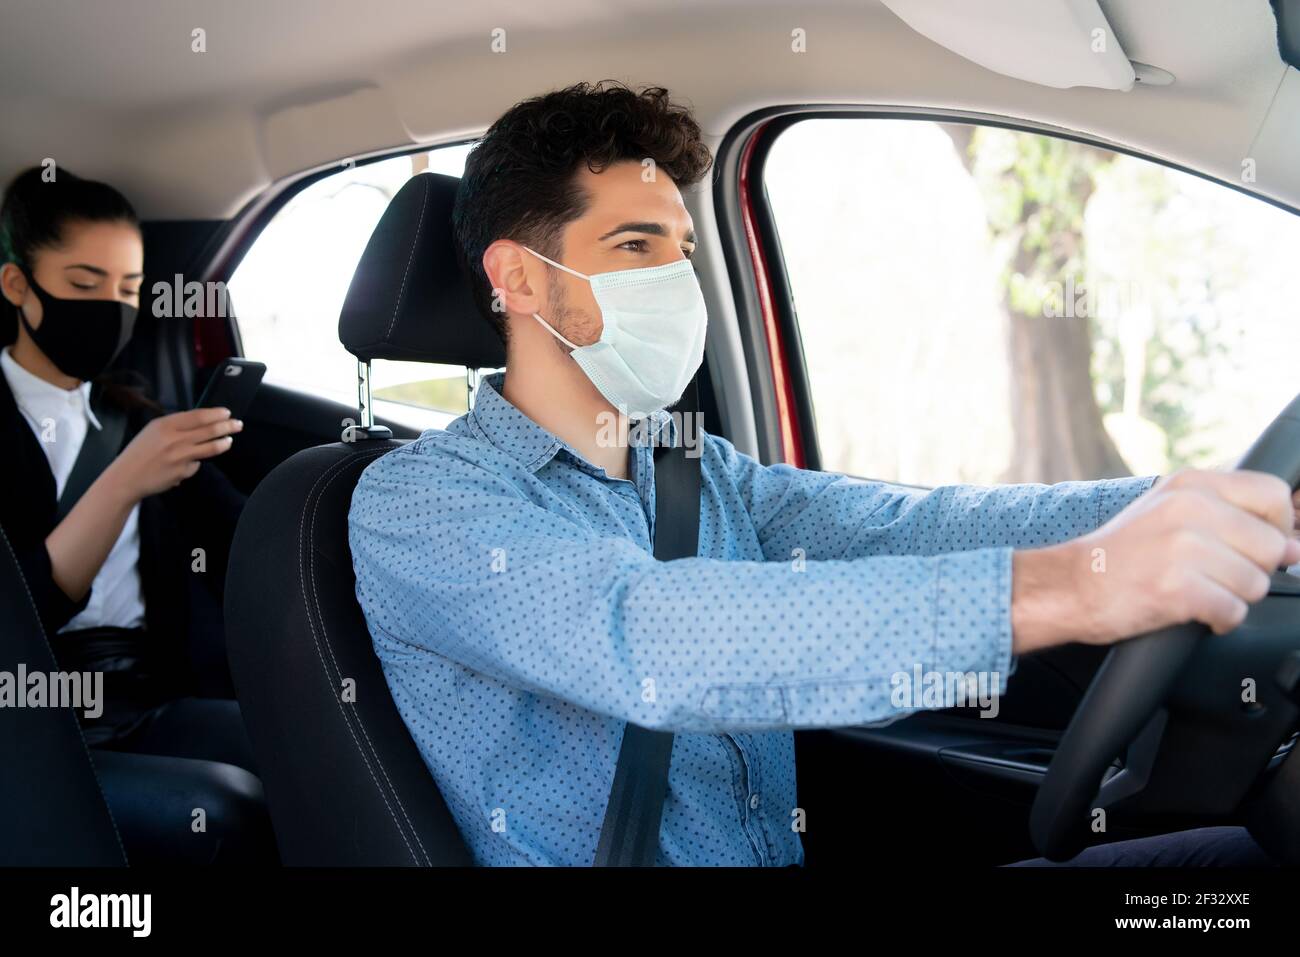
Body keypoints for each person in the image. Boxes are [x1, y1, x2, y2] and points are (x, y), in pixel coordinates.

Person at [348, 81, 1300, 866]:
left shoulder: (698, 472)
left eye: (681, 250)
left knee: (1225, 871)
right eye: (634, 246)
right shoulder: (421, 502)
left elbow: (919, 526)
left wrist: (1203, 504)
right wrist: (1077, 589)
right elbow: (645, 641)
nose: (677, 282)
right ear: (516, 278)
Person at [0, 166, 275, 864]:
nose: (112, 310)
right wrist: (123, 481)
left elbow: (248, 537)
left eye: (128, 290)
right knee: (220, 813)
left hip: (146, 693)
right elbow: (22, 610)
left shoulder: (136, 416)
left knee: (311, 746)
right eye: (85, 285)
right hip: (31, 715)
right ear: (17, 287)